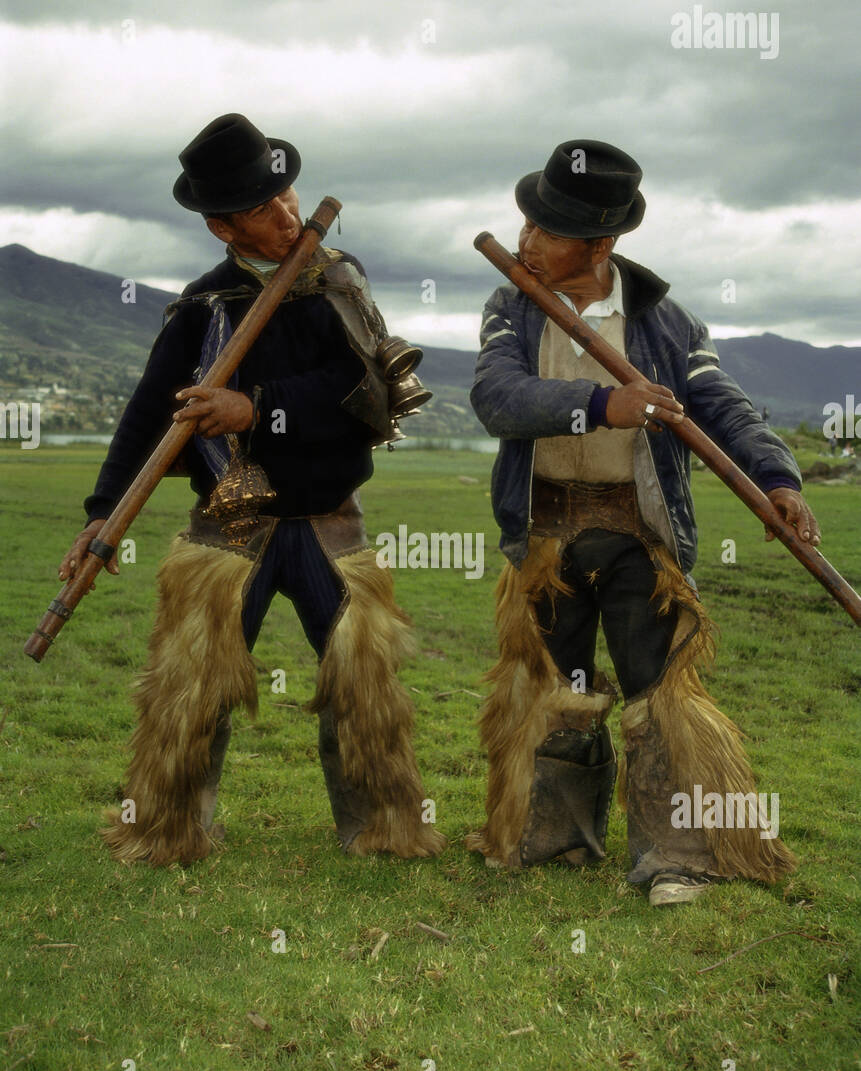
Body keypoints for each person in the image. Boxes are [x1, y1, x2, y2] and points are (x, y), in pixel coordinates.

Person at [58, 113, 444, 867]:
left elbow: (357, 387)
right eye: (264, 209)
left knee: (363, 683)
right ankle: (168, 831)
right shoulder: (206, 307)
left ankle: (383, 829)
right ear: (220, 227)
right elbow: (148, 416)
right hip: (234, 513)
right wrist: (102, 516)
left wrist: (254, 404)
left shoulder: (338, 279)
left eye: (288, 196)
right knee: (192, 683)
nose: (288, 215)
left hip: (330, 518)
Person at [467, 139, 818, 905]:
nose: (524, 242)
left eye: (544, 230)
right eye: (523, 223)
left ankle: (675, 857)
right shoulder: (510, 309)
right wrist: (600, 404)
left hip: (638, 540)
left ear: (601, 242)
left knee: (654, 699)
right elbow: (496, 399)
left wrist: (775, 478)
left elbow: (721, 405)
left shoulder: (664, 321)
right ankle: (556, 836)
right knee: (558, 691)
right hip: (547, 539)